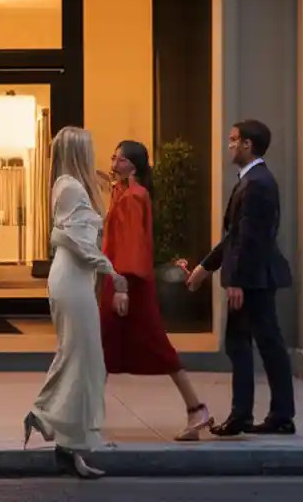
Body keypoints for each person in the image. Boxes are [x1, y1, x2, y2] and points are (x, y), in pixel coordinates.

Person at [24, 127, 129, 479]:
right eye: (89, 148)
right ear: (78, 152)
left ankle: (67, 444)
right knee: (82, 358)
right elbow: (73, 241)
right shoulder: (69, 187)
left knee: (83, 359)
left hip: (76, 278)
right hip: (72, 279)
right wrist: (111, 271)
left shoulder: (70, 185)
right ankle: (47, 417)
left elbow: (74, 237)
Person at [180, 120, 296, 436]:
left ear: (247, 145)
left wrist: (237, 282)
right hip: (252, 278)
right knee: (254, 344)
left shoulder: (257, 183)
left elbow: (250, 239)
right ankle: (266, 415)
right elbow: (235, 237)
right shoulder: (252, 180)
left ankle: (258, 416)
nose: (228, 145)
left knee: (255, 344)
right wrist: (206, 267)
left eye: (233, 140)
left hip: (252, 281)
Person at [99, 141, 211, 441]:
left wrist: (122, 286)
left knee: (150, 346)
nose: (113, 160)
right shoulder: (124, 192)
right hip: (122, 280)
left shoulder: (133, 197)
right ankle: (88, 414)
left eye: (118, 157)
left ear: (131, 165)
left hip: (128, 283)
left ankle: (196, 408)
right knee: (106, 344)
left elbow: (132, 244)